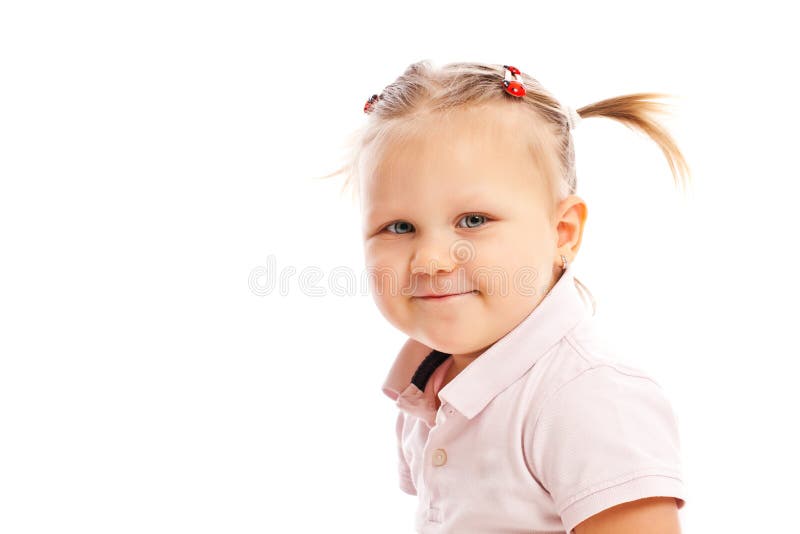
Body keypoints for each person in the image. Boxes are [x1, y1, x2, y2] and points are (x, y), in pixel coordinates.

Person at [321, 60, 690, 533]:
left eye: (473, 220)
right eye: (399, 227)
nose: (431, 260)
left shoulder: (587, 398)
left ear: (562, 233)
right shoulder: (425, 386)